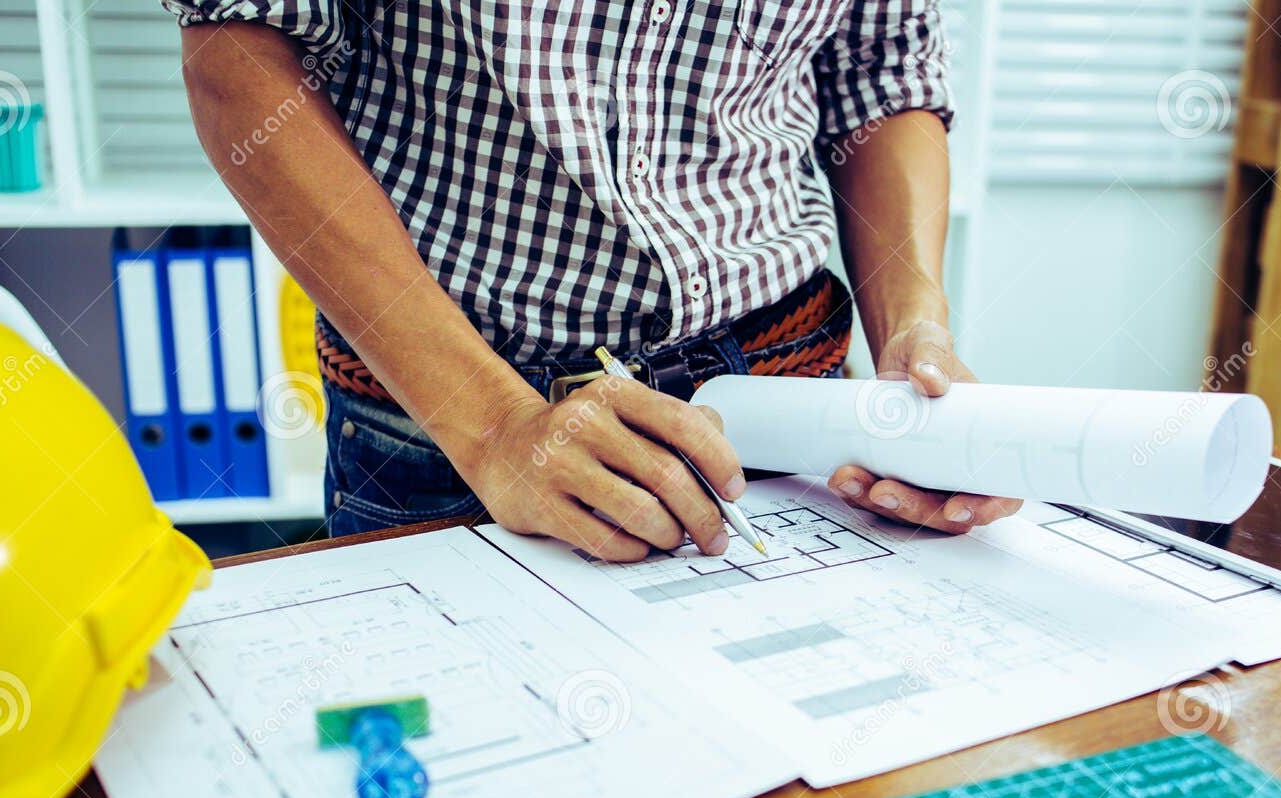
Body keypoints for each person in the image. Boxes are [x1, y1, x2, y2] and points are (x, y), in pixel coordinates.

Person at [170, 0, 1021, 558]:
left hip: (785, 384)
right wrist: (495, 429)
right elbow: (236, 50)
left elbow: (880, 71)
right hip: (453, 403)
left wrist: (914, 329)